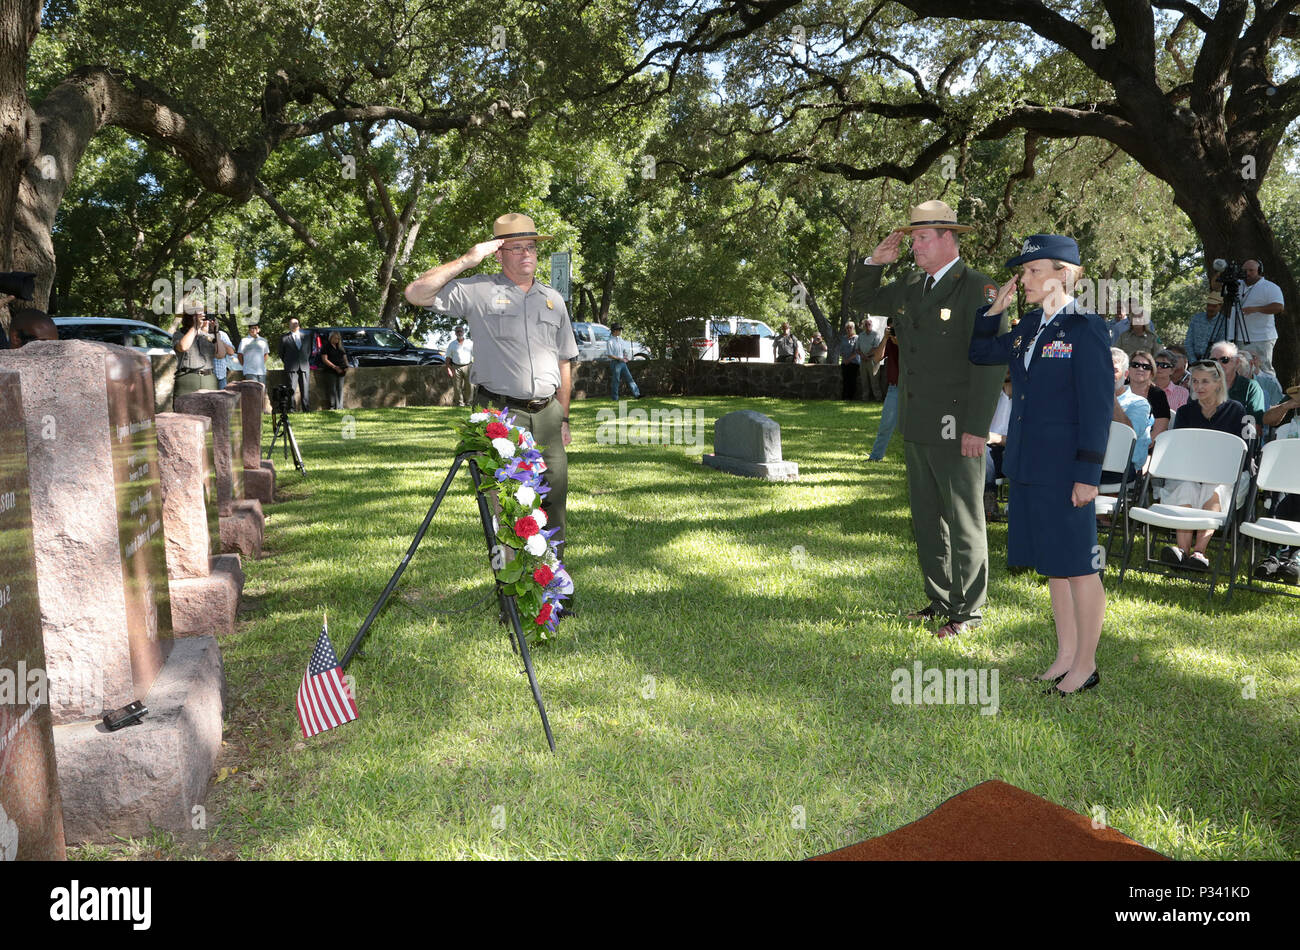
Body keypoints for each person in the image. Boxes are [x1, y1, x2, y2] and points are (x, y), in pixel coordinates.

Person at [851, 199, 1006, 638]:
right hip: (918, 422)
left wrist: (977, 426)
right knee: (926, 519)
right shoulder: (909, 285)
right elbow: (863, 299)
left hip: (958, 426)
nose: (914, 245)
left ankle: (969, 612)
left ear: (948, 238)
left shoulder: (979, 289)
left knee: (963, 518)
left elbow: (990, 364)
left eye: (922, 237)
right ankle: (940, 601)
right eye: (913, 237)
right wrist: (873, 263)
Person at [969, 233, 1112, 695]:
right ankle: (1065, 658)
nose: (1023, 279)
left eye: (1033, 271)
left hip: (1066, 468)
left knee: (1079, 565)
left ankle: (1086, 666)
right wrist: (995, 310)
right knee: (1055, 565)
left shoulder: (1085, 327)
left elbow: (1096, 406)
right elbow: (981, 352)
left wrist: (1087, 474)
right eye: (1023, 271)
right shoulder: (1031, 325)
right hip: (1029, 463)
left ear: (1063, 275)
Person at [404, 212, 578, 560]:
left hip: (547, 415)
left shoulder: (552, 299)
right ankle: (513, 603)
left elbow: (565, 362)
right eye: (516, 248)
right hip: (501, 413)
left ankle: (556, 594)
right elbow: (416, 293)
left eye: (531, 247)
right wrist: (468, 259)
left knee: (553, 502)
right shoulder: (479, 290)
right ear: (498, 253)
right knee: (508, 505)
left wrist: (564, 418)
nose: (527, 254)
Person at [1157, 359, 1249, 571]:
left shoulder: (1237, 410)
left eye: (1205, 382)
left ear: (1218, 383)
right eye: (1195, 381)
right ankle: (1181, 551)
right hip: (1190, 472)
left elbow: (1246, 450)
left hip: (1226, 475)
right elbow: (1179, 450)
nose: (1198, 387)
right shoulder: (1185, 412)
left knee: (1213, 488)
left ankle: (1199, 552)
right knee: (1186, 486)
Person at [172, 299, 232, 407]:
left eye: (202, 314)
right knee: (185, 412)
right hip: (187, 379)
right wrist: (195, 327)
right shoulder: (179, 334)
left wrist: (216, 332)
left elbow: (221, 354)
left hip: (209, 379)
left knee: (211, 414)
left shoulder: (208, 336)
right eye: (196, 314)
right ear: (188, 317)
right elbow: (183, 346)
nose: (202, 317)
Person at [1234, 259, 1285, 373]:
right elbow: (1216, 287)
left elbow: (1279, 307)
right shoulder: (1237, 285)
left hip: (1262, 338)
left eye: (1251, 270)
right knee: (1242, 370)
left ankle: (1270, 391)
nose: (1247, 273)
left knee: (1264, 369)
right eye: (1244, 270)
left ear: (1259, 271)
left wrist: (1256, 309)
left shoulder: (1270, 287)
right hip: (1239, 337)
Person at [1208, 340, 1266, 422]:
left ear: (1237, 362)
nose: (1218, 364)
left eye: (1224, 360)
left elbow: (1255, 426)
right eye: (1214, 360)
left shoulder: (1250, 387)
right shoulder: (1201, 385)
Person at [867, 322, 900, 461]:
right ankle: (875, 457)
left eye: (896, 327)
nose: (893, 330)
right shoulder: (888, 341)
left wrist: (899, 341)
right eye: (891, 328)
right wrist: (886, 338)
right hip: (895, 388)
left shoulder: (912, 339)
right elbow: (876, 358)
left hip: (914, 388)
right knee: (885, 425)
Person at [983, 372, 1013, 519]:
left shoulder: (1028, 397)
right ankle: (988, 497)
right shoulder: (991, 396)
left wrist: (997, 439)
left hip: (1015, 452)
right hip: (988, 451)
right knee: (979, 450)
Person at [1126, 349, 1170, 442]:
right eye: (1135, 365)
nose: (1140, 369)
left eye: (1146, 367)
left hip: (1145, 446)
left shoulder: (1158, 395)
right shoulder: (1118, 390)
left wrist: (1141, 446)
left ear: (1152, 372)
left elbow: (1159, 428)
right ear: (1128, 368)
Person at [279, 316, 312, 411]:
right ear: (289, 326)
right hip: (291, 366)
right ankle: (291, 408)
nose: (295, 324)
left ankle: (306, 408)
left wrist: (304, 360)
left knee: (305, 389)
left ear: (299, 324)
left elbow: (308, 351)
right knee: (291, 389)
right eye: (292, 323)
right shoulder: (284, 338)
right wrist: (288, 362)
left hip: (304, 366)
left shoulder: (306, 337)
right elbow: (281, 353)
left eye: (296, 323)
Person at [1183, 292, 1224, 362]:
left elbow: (1221, 345)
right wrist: (1193, 361)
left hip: (1212, 362)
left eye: (1214, 306)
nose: (1210, 308)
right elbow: (1188, 341)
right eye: (1209, 305)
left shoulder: (1223, 322)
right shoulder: (1197, 318)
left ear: (1220, 306)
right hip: (1193, 360)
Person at [605, 322, 641, 400]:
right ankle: (615, 398)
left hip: (622, 362)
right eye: (619, 330)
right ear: (614, 331)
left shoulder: (620, 339)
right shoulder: (610, 342)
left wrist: (624, 357)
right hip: (615, 363)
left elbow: (623, 350)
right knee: (616, 380)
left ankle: (637, 394)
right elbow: (609, 355)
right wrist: (619, 358)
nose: (620, 331)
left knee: (630, 378)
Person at [445, 326, 474, 407]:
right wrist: (448, 369)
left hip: (468, 366)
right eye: (457, 331)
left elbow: (476, 355)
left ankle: (469, 403)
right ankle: (460, 403)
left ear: (463, 332)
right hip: (455, 367)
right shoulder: (452, 344)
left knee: (470, 386)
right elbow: (448, 358)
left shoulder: (470, 343)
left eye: (460, 331)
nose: (459, 332)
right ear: (455, 333)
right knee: (457, 387)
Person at [1153, 348, 1189, 412]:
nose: (1159, 367)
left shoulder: (1182, 393)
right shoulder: (1143, 388)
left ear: (1172, 370)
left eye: (1164, 365)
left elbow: (1182, 418)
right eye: (1156, 364)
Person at [319, 331, 348, 409]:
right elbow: (325, 359)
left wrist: (346, 366)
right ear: (331, 338)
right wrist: (335, 367)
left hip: (341, 370)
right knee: (332, 389)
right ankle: (333, 406)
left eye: (338, 338)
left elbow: (344, 357)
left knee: (340, 389)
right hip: (330, 370)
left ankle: (340, 407)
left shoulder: (340, 347)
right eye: (335, 338)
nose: (337, 340)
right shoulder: (326, 346)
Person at [237, 318, 270, 386]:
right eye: (252, 328)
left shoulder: (263, 341)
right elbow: (240, 355)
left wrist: (260, 363)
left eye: (255, 328)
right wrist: (245, 365)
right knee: (253, 392)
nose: (253, 330)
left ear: (258, 330)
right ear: (249, 330)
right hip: (249, 371)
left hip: (261, 372)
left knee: (262, 391)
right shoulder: (244, 340)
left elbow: (266, 354)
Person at [837, 321, 860, 400]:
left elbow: (857, 351)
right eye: (847, 328)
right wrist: (845, 359)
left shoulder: (857, 338)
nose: (849, 329)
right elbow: (841, 350)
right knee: (845, 380)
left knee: (852, 380)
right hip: (844, 363)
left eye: (850, 328)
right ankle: (844, 397)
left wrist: (849, 359)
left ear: (853, 328)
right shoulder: (843, 338)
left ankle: (851, 397)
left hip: (854, 363)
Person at [210, 317, 235, 389]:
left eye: (213, 321)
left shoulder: (222, 334)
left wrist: (217, 337)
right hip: (206, 377)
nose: (212, 323)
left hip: (221, 376)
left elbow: (231, 352)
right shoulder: (200, 333)